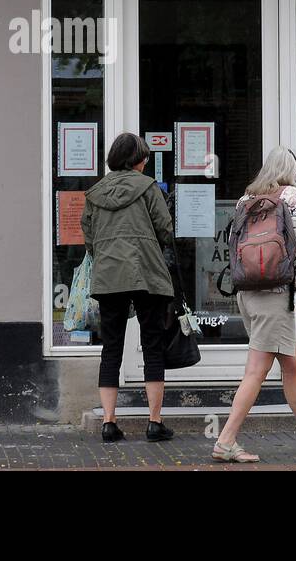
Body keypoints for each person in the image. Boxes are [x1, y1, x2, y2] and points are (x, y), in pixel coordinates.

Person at [211, 145, 296, 461]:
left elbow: (234, 246)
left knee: (292, 365)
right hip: (274, 298)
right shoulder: (290, 197)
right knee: (256, 371)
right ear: (291, 171)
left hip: (248, 292)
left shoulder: (246, 200)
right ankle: (225, 440)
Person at [82, 132, 177, 443]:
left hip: (109, 277)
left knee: (111, 348)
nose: (146, 161)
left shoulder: (95, 193)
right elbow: (165, 229)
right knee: (152, 345)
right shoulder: (148, 187)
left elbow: (89, 236)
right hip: (146, 274)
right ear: (137, 160)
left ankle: (109, 423)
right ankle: (154, 422)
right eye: (145, 157)